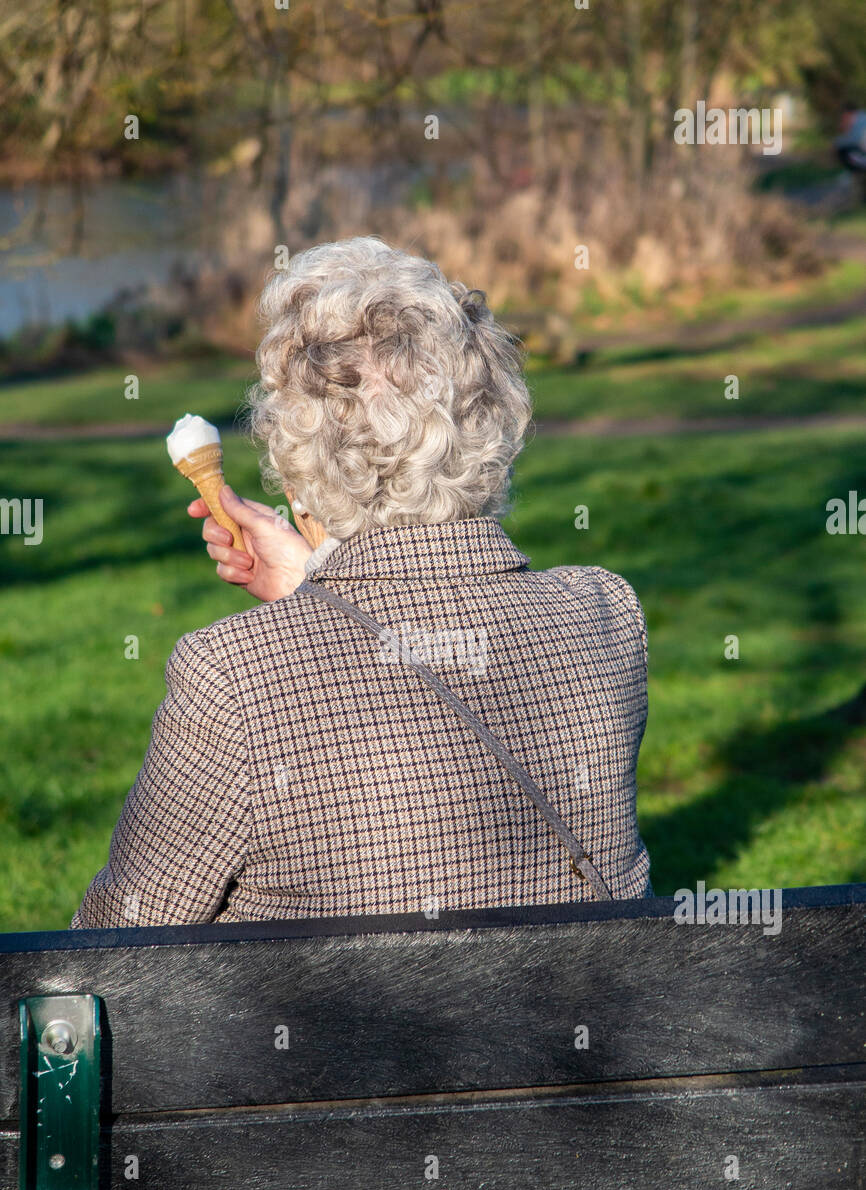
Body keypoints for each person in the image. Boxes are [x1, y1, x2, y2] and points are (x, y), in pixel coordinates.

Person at [71, 236, 650, 929]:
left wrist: (309, 607)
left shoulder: (230, 679)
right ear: (493, 425)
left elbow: (115, 945)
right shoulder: (605, 617)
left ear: (295, 471)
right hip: (581, 1033)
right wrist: (315, 592)